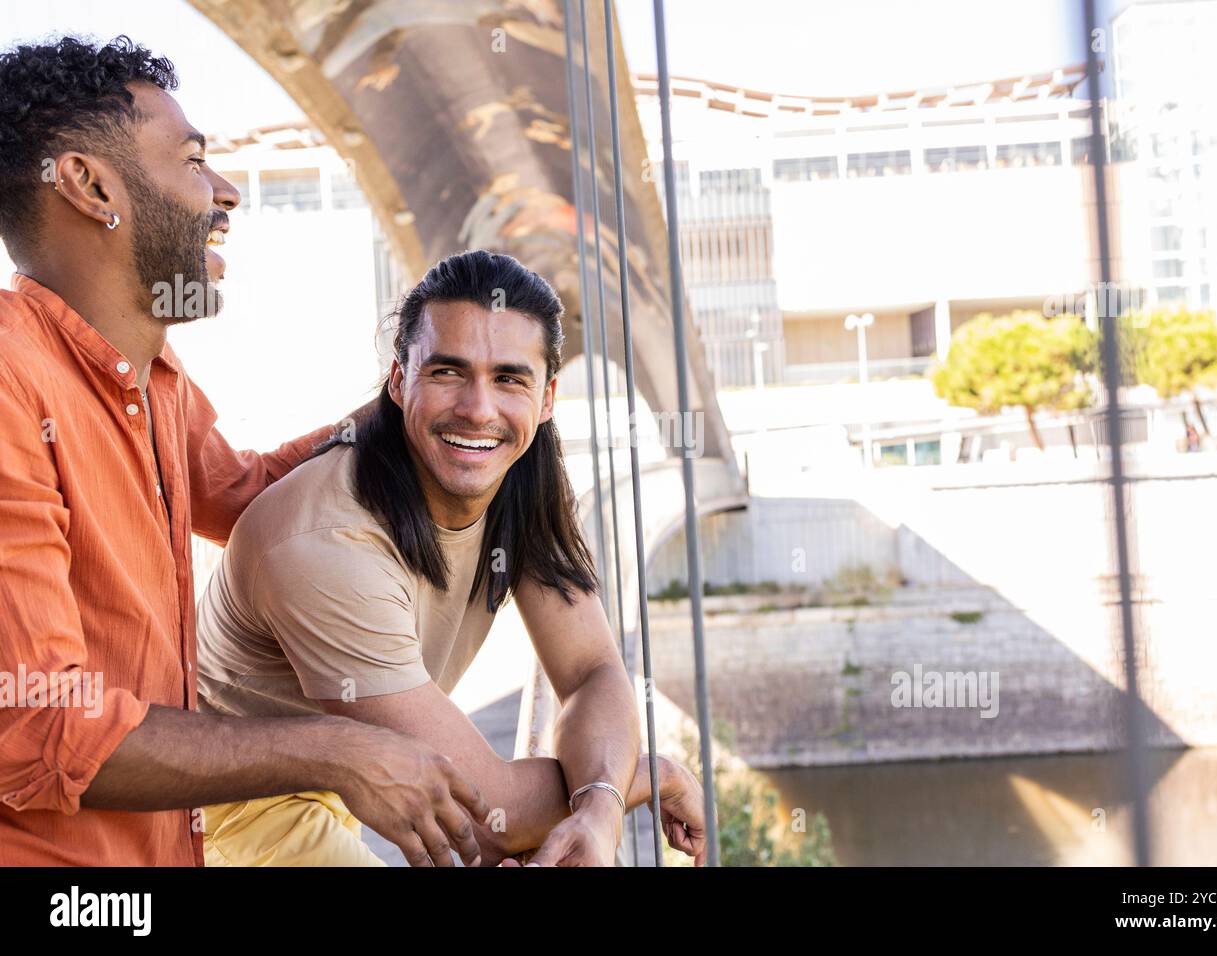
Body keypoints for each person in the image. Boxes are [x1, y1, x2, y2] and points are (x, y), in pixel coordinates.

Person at [0, 35, 495, 867]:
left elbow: (244, 493)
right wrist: (339, 751)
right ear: (91, 186)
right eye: (194, 161)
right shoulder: (12, 381)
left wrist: (415, 403)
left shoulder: (157, 382)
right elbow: (36, 724)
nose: (225, 192)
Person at [197, 250, 707, 866]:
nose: (478, 409)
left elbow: (590, 670)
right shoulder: (327, 542)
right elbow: (485, 815)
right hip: (230, 814)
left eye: (509, 379)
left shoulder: (518, 481)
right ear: (397, 381)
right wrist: (653, 775)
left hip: (339, 783)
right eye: (447, 372)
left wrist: (600, 803)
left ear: (547, 398)